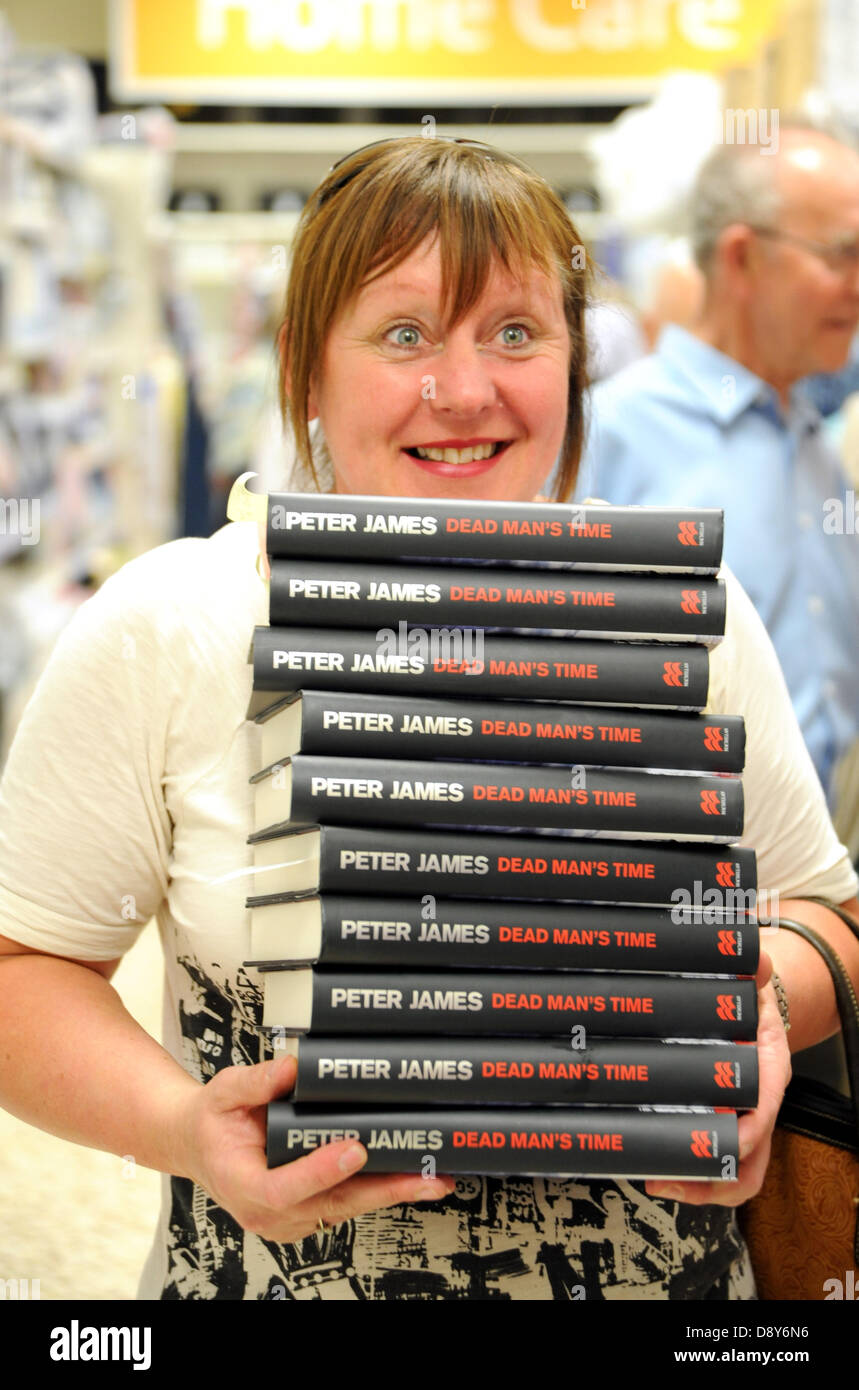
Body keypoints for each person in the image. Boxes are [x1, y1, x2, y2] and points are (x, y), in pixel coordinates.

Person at [0, 136, 856, 1302]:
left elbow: (825, 915)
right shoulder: (176, 621)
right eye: (403, 336)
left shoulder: (685, 615)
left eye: (515, 332)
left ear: (573, 361)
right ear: (306, 369)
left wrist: (747, 1005)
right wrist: (179, 1125)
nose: (463, 390)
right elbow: (24, 961)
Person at [577, 127, 859, 848]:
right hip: (677, 900)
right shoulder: (608, 435)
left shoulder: (808, 439)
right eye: (842, 254)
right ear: (741, 257)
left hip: (815, 898)